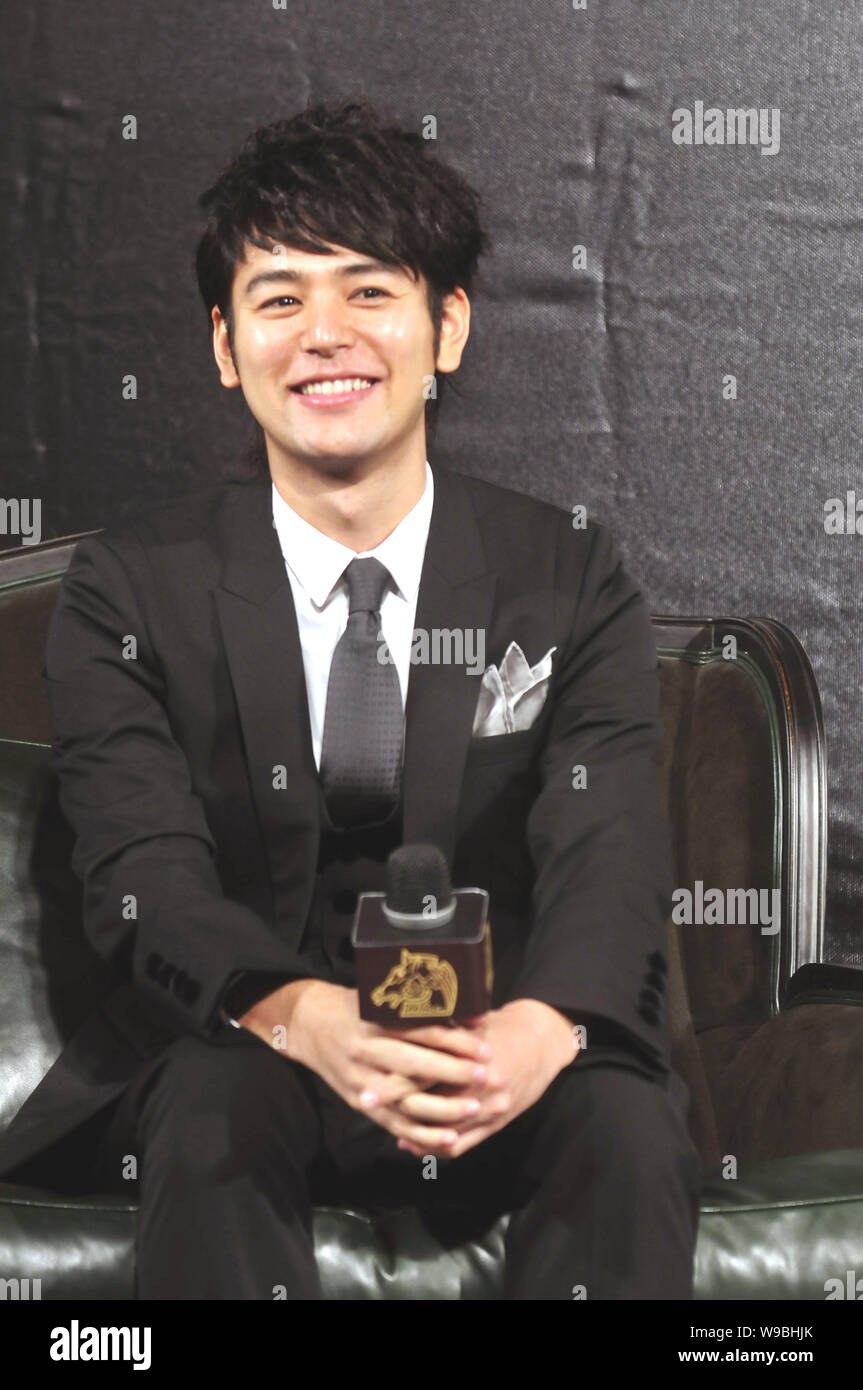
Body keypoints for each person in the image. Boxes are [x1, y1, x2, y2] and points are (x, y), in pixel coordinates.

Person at [0, 99, 701, 1299]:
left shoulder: (566, 571)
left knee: (624, 1131)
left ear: (448, 329)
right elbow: (141, 877)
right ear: (225, 347)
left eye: (368, 290)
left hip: (506, 1046)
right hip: (253, 1042)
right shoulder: (129, 587)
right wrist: (301, 1015)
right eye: (278, 299)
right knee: (215, 1107)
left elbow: (610, 847)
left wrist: (539, 1033)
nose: (323, 333)